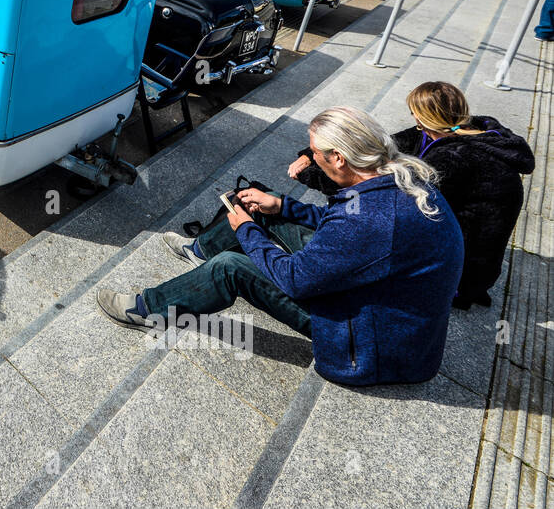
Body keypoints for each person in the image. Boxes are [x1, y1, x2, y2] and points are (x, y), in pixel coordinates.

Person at [96, 107, 464, 386]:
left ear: (338, 158)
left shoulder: (367, 219)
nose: (311, 157)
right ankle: (200, 249)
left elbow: (295, 280)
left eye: (314, 151)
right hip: (385, 314)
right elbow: (346, 229)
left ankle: (150, 309)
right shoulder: (401, 179)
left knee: (231, 266)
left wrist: (247, 230)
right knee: (266, 204)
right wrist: (282, 206)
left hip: (369, 347)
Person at [290, 83, 532, 310]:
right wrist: (311, 155)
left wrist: (312, 175)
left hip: (463, 269)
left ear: (423, 117)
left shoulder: (455, 159)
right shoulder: (463, 127)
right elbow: (380, 147)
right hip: (473, 251)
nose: (413, 119)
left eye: (414, 113)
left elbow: (379, 190)